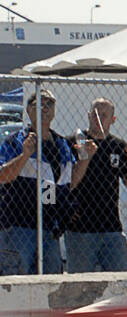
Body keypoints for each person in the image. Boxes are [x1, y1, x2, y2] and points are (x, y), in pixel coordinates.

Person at [0, 91, 81, 274]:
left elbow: (69, 182)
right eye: (39, 104)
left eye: (49, 104)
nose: (44, 109)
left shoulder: (61, 144)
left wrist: (85, 159)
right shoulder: (16, 141)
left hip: (49, 227)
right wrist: (25, 155)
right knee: (17, 282)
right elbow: (3, 176)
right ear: (29, 110)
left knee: (49, 284)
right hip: (19, 227)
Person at [63, 98, 127, 272]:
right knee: (81, 285)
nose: (98, 119)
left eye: (104, 115)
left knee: (119, 279)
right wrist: (85, 157)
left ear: (113, 120)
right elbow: (67, 182)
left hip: (111, 226)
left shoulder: (118, 145)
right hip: (80, 228)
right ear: (88, 116)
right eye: (95, 114)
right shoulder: (74, 142)